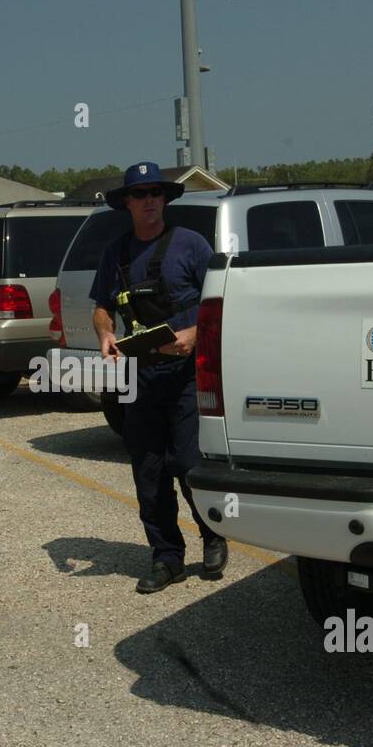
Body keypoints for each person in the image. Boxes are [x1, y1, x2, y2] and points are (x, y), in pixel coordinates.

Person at [90, 162, 228, 594]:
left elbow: (219, 303)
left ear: (164, 199)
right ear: (128, 202)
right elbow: (100, 307)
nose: (149, 199)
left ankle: (212, 535)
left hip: (187, 375)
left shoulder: (192, 245)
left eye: (156, 192)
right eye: (140, 193)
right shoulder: (116, 252)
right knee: (148, 472)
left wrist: (192, 335)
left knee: (188, 463)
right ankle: (167, 557)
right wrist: (106, 332)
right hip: (141, 376)